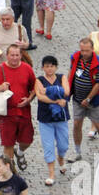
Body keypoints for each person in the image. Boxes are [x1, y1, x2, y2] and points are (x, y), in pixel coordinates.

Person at [0, 43, 38, 172]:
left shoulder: (27, 69)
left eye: (17, 55)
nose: (14, 58)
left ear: (21, 56)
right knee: (8, 144)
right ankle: (11, 172)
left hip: (24, 112)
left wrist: (29, 99)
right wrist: (0, 87)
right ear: (7, 56)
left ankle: (19, 152)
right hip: (6, 114)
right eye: (12, 55)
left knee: (27, 140)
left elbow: (35, 88)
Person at [65, 36, 99, 160]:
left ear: (92, 49)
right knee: (77, 124)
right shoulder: (75, 57)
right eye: (82, 50)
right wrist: (68, 87)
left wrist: (88, 99)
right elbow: (71, 71)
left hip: (94, 100)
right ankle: (77, 152)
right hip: (78, 99)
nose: (84, 53)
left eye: (87, 51)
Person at [33, 55, 71, 186]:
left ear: (56, 67)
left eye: (52, 66)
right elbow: (40, 96)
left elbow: (66, 91)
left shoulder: (62, 77)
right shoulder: (39, 80)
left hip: (61, 118)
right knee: (48, 146)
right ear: (43, 67)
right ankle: (51, 174)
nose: (49, 69)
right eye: (47, 66)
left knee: (63, 145)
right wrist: (55, 98)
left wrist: (48, 90)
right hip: (45, 119)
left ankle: (61, 158)